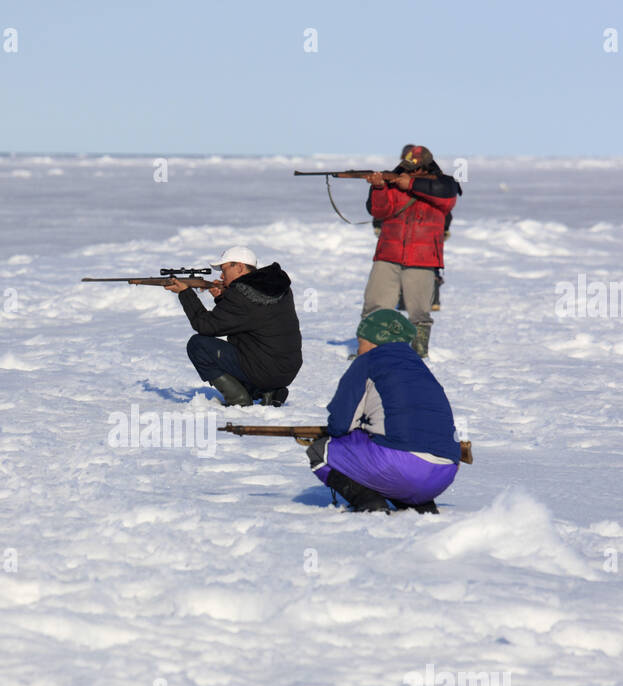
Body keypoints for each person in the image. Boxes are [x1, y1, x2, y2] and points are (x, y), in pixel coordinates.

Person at [306, 308, 460, 513]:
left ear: (372, 340)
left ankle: (369, 502)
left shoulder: (367, 362)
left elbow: (340, 424)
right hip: (444, 473)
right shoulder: (420, 369)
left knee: (320, 451)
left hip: (402, 468)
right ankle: (418, 504)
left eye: (360, 342)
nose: (359, 350)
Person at [166, 246, 302, 407]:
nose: (221, 276)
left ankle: (239, 399)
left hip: (265, 370)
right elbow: (247, 318)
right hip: (286, 369)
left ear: (239, 267)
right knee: (238, 344)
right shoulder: (277, 287)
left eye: (224, 269)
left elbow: (205, 326)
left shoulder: (240, 295)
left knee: (198, 345)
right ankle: (267, 391)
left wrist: (185, 293)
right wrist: (223, 298)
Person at [362, 145, 459, 358]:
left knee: (419, 312)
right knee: (375, 306)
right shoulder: (392, 183)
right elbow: (378, 211)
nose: (409, 172)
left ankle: (418, 354)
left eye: (415, 170)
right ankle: (370, 352)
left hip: (422, 259)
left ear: (426, 168)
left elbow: (446, 196)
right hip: (388, 254)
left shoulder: (444, 185)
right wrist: (378, 188)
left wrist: (412, 184)